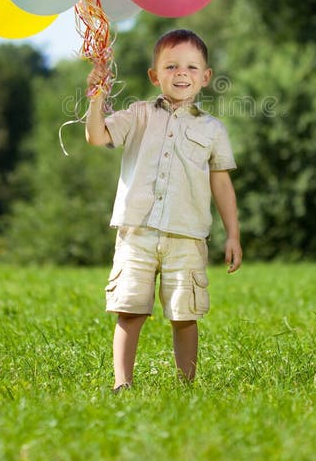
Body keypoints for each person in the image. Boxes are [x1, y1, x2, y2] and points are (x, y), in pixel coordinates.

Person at [86, 28, 242, 392]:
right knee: (130, 311)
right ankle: (122, 385)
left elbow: (221, 183)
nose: (181, 73)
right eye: (170, 66)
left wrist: (233, 233)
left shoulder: (212, 129)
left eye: (190, 66)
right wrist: (96, 97)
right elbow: (96, 136)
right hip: (136, 233)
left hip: (186, 236)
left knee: (185, 314)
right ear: (155, 76)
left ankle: (185, 387)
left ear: (205, 77)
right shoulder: (138, 115)